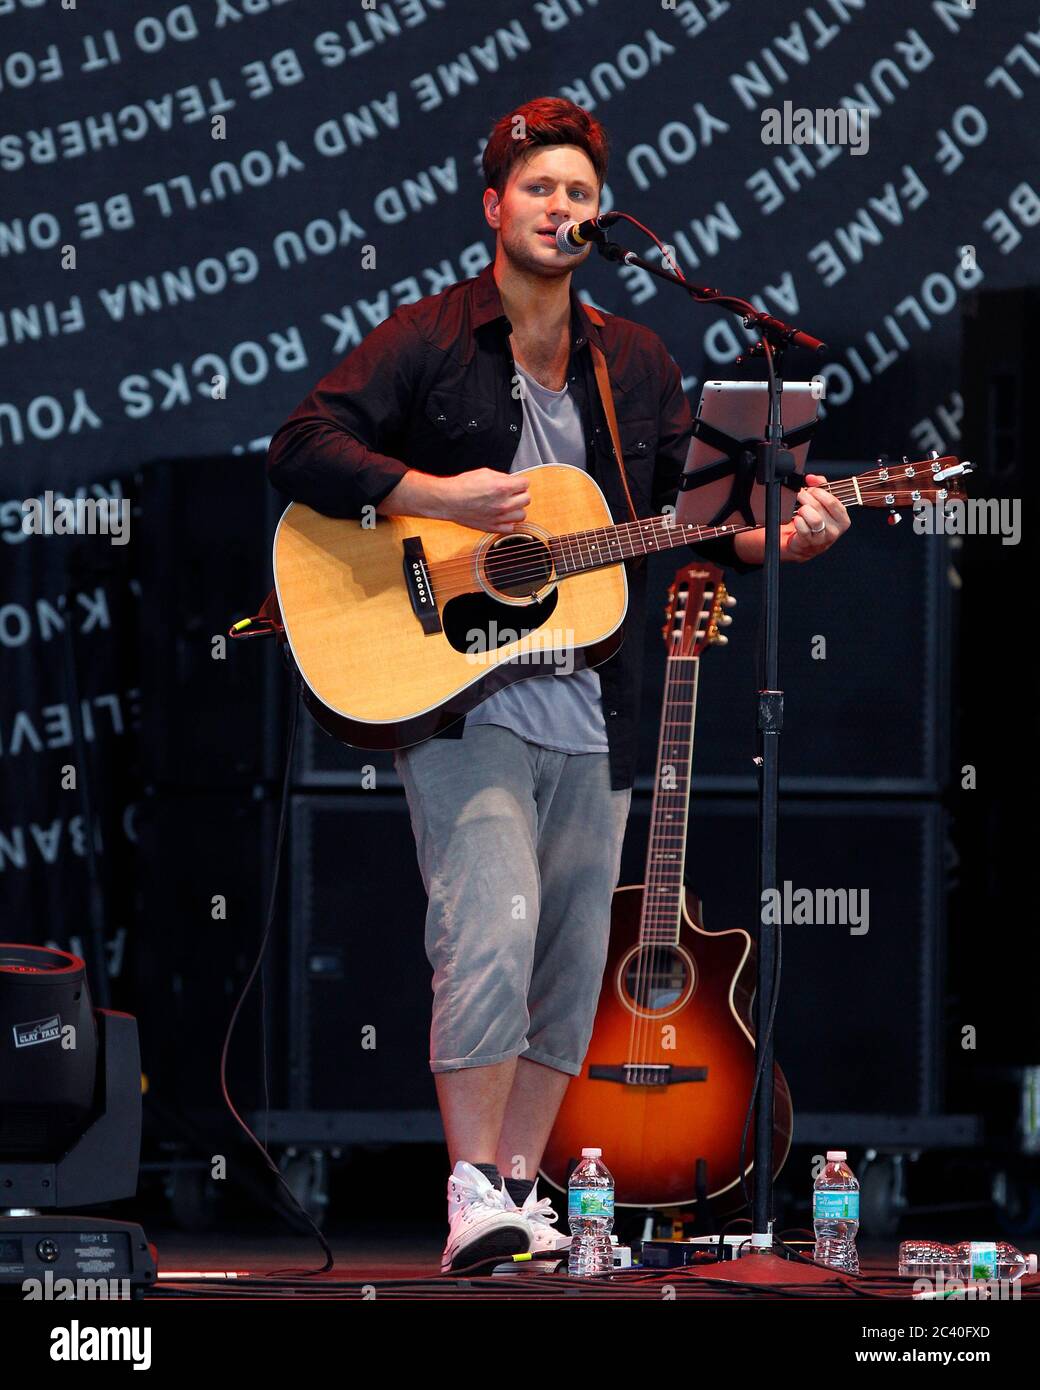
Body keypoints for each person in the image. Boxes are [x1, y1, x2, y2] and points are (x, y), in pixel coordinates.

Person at [266, 97, 850, 1273]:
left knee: (571, 958)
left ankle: (526, 1198)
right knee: (486, 929)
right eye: (540, 189)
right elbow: (300, 446)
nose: (562, 209)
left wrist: (773, 538)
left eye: (581, 194)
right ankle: (469, 1190)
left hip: (596, 709)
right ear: (494, 207)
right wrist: (430, 495)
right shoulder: (429, 337)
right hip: (462, 700)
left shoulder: (631, 357)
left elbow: (686, 521)